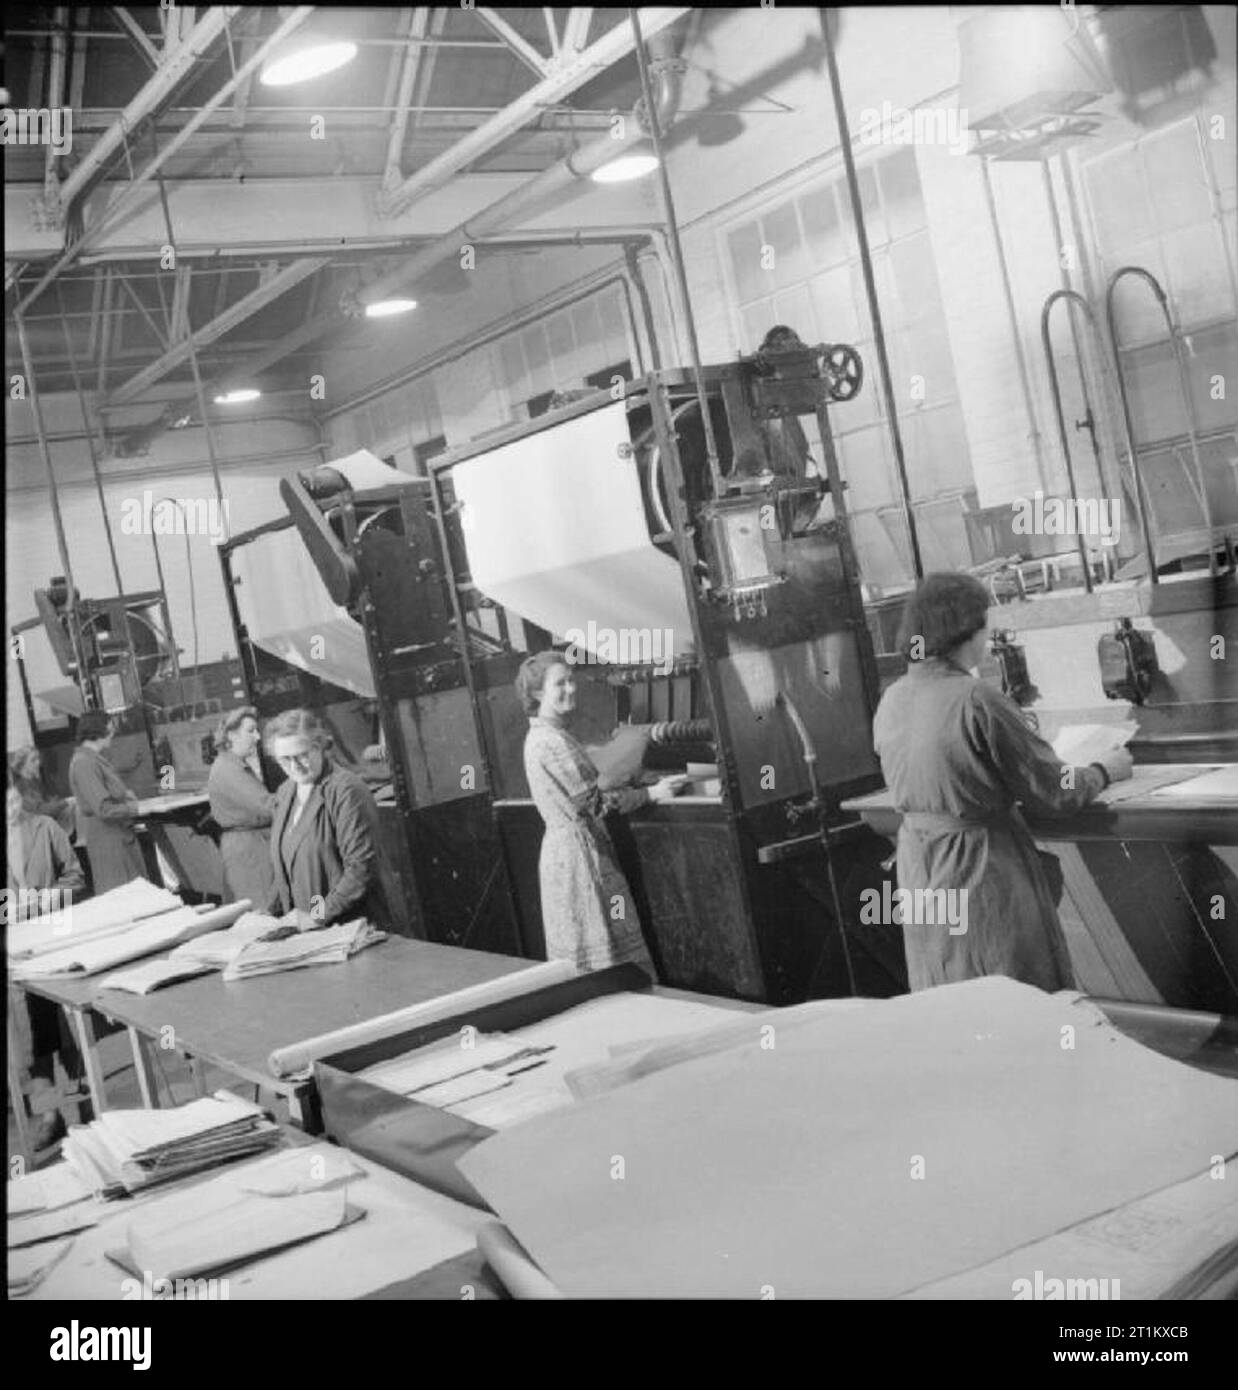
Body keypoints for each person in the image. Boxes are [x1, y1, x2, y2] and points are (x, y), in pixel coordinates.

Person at [872, 572, 1132, 993]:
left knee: (951, 990)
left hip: (921, 867)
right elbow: (1055, 791)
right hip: (981, 871)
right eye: (982, 625)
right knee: (1009, 987)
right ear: (964, 631)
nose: (985, 636)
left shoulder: (894, 698)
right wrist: (1104, 769)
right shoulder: (976, 699)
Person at [518, 651, 684, 975]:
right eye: (560, 684)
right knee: (605, 950)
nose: (571, 689)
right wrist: (652, 793)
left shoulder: (548, 736)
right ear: (537, 693)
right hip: (580, 857)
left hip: (568, 852)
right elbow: (596, 804)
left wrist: (635, 777)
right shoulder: (550, 742)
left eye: (571, 680)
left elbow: (589, 784)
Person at [7, 778, 86, 1149]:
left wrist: (43, 900)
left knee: (69, 1027)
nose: (9, 811)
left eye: (11, 801)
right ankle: (50, 1116)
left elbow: (75, 877)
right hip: (15, 951)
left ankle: (87, 1109)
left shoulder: (46, 827)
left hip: (54, 940)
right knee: (32, 1041)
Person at [264, 708, 393, 932]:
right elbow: (285, 865)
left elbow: (360, 868)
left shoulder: (346, 789)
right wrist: (270, 913)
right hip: (308, 929)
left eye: (302, 755)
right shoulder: (286, 792)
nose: (295, 767)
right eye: (285, 759)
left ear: (320, 746)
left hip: (350, 928)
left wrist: (316, 916)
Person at [67, 711, 146, 893]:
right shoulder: (84, 763)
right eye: (110, 727)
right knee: (125, 897)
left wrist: (125, 796)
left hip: (116, 836)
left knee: (135, 896)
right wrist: (133, 808)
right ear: (98, 730)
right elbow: (104, 809)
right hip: (109, 840)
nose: (113, 732)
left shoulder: (92, 759)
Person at [207, 706, 278, 907]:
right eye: (251, 730)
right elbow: (266, 805)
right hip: (249, 849)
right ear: (231, 735)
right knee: (263, 909)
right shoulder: (230, 769)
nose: (257, 737)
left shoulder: (233, 764)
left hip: (248, 844)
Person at [8, 745, 75, 838]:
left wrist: (59, 802)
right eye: (33, 760)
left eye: (38, 759)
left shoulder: (33, 781)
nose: (38, 763)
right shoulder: (21, 787)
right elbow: (40, 811)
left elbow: (47, 801)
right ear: (22, 764)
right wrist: (66, 802)